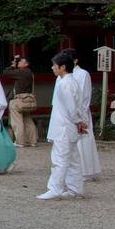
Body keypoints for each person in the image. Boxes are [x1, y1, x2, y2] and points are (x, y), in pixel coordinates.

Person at [38, 51, 87, 200]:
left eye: (54, 65)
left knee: (60, 159)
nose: (52, 68)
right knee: (72, 159)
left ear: (63, 67)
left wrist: (78, 121)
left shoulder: (65, 83)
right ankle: (75, 188)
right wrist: (79, 121)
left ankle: (55, 189)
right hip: (68, 125)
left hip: (64, 126)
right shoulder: (71, 82)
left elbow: (71, 107)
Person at [70, 57, 102, 180]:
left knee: (84, 141)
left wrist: (80, 116)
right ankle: (75, 170)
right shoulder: (67, 75)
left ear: (76, 60)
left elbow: (84, 96)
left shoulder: (83, 74)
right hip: (70, 113)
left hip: (81, 112)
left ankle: (86, 171)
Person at [1, 54, 38, 147]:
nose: (19, 62)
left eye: (21, 61)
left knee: (17, 122)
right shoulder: (30, 73)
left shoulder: (21, 72)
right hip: (28, 100)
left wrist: (13, 65)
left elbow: (6, 72)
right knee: (28, 120)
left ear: (26, 64)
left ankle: (20, 142)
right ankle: (32, 141)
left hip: (18, 100)